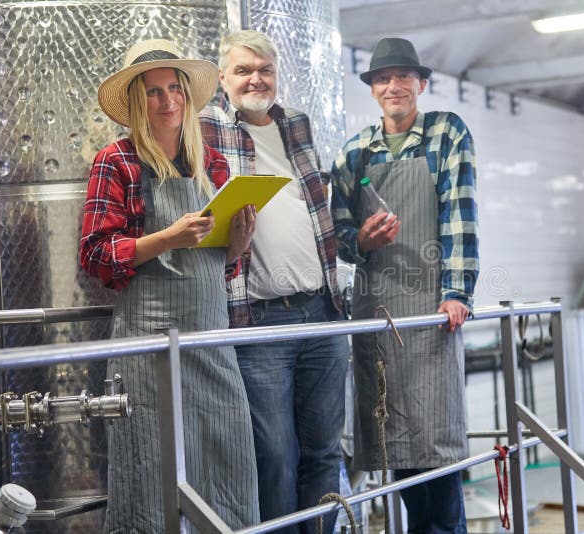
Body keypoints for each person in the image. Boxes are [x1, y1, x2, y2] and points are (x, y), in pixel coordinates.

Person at [79, 39, 259, 531]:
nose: (168, 101)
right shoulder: (116, 161)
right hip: (148, 349)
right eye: (155, 92)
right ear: (138, 101)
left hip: (210, 341)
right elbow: (94, 255)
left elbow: (220, 269)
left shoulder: (213, 165)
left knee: (228, 463)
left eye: (175, 88)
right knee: (149, 472)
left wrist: (238, 246)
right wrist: (166, 238)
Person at [199, 30, 349, 532]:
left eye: (264, 69)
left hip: (324, 309)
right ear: (223, 76)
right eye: (243, 70)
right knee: (276, 456)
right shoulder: (204, 128)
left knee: (326, 452)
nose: (255, 79)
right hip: (260, 320)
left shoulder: (296, 125)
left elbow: (315, 207)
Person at [330, 37, 479, 532]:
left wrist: (457, 292)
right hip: (378, 314)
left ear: (421, 83)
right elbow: (337, 239)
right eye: (381, 78)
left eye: (402, 77)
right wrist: (362, 243)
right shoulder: (353, 153)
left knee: (435, 446)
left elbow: (460, 216)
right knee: (398, 447)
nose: (392, 86)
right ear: (372, 89)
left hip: (432, 312)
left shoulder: (447, 134)